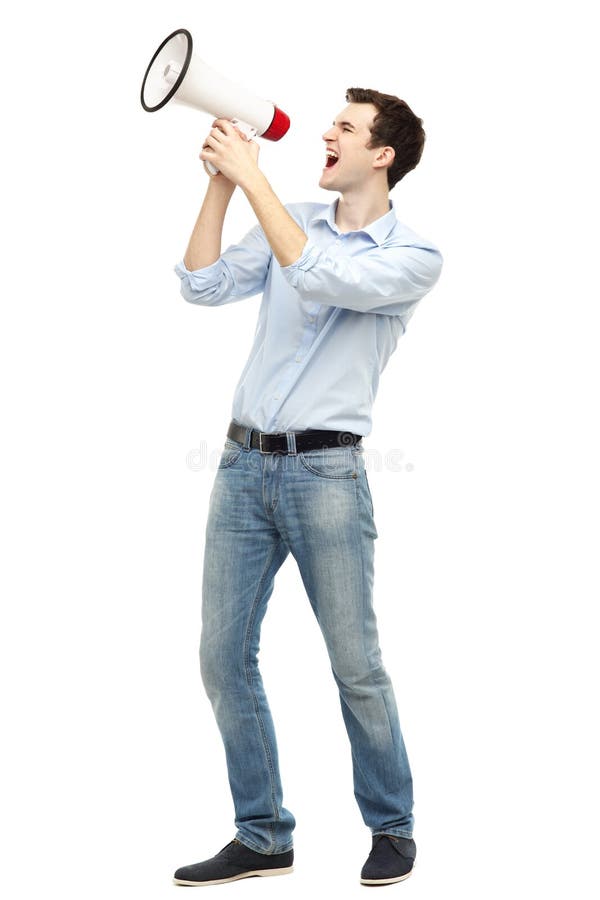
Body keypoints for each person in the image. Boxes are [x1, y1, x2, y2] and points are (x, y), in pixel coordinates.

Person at [171, 87, 443, 887]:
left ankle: (391, 825)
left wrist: (253, 178)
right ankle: (263, 837)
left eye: (346, 128)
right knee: (222, 659)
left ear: (383, 155)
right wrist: (223, 182)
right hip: (241, 466)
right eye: (331, 123)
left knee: (355, 663)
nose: (326, 132)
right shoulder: (290, 215)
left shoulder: (415, 257)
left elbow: (322, 279)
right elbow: (202, 285)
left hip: (327, 473)